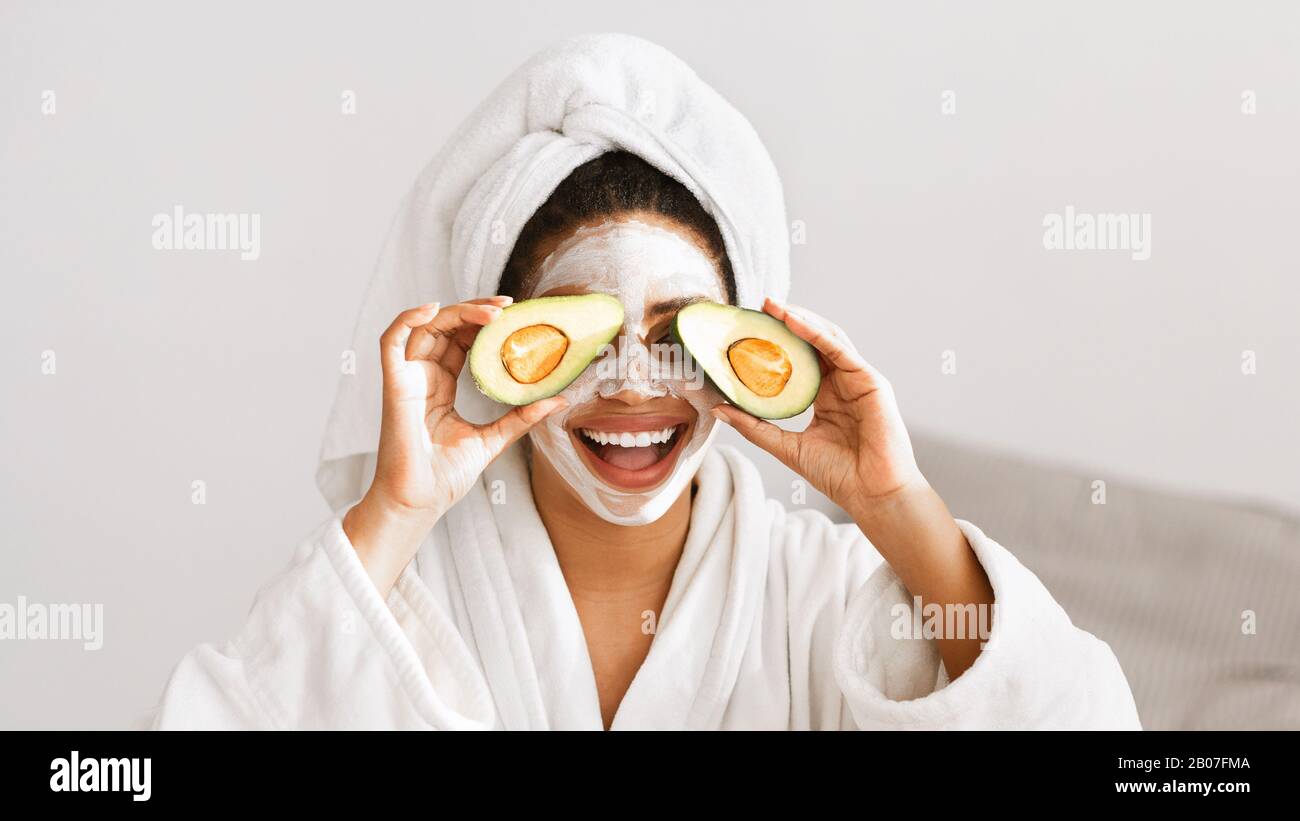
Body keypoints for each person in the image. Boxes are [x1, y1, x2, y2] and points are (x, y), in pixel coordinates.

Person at [152, 34, 1140, 730]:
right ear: (496, 337)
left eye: (677, 332)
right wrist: (395, 512)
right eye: (575, 334)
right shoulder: (401, 603)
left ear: (745, 346)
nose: (631, 383)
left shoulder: (820, 598)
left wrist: (895, 505)